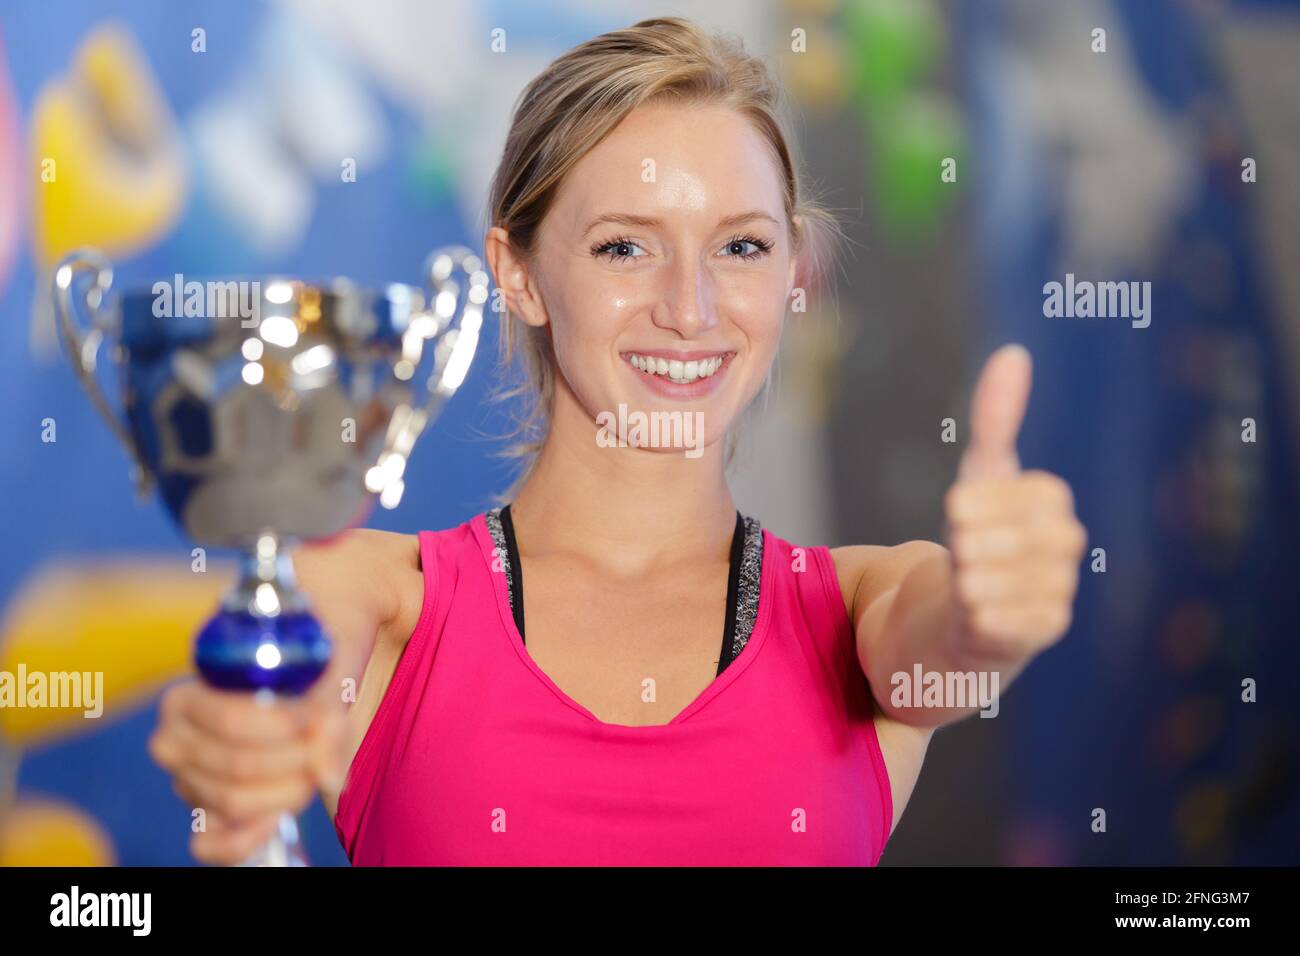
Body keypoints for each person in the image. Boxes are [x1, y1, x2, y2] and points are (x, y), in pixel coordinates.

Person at [149, 16, 1086, 866]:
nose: (691, 308)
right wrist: (249, 739)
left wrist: (985, 615)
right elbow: (287, 685)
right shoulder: (383, 603)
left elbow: (940, 655)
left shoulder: (860, 606)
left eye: (742, 247)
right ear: (516, 275)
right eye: (624, 247)